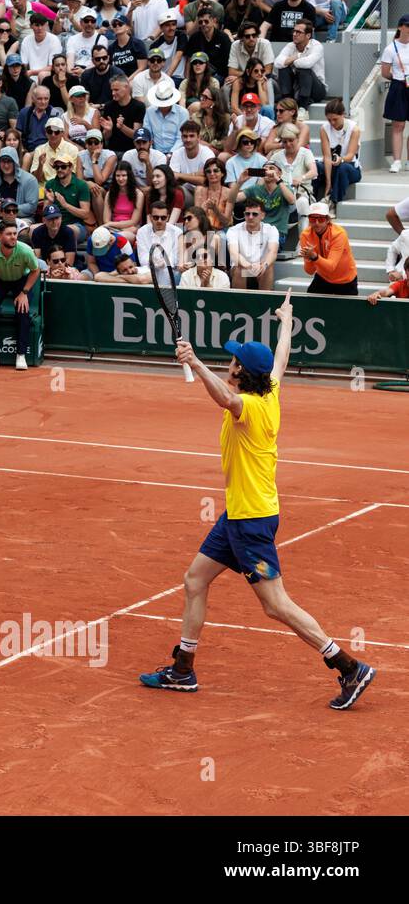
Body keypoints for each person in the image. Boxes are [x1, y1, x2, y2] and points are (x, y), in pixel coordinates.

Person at [144, 292, 376, 711]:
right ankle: (183, 668)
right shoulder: (271, 392)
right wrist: (286, 321)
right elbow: (281, 358)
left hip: (252, 522)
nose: (227, 362)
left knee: (275, 605)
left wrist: (195, 363)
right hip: (240, 516)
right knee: (195, 580)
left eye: (232, 360)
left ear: (241, 372)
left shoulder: (247, 405)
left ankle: (347, 665)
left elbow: (225, 399)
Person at [0, 220, 38, 370]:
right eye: (8, 234)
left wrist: (24, 292)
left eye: (15, 234)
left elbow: (35, 270)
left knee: (23, 310)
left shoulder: (25, 250)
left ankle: (21, 355)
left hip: (20, 281)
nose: (13, 237)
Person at [299, 201, 358, 295]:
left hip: (345, 280)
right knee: (309, 305)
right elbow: (309, 271)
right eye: (312, 219)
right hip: (323, 277)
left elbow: (331, 267)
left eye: (321, 219)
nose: (316, 223)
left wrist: (314, 257)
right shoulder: (305, 235)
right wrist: (309, 259)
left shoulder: (339, 234)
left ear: (328, 220)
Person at [315, 97, 360, 211]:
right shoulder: (324, 129)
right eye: (329, 120)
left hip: (350, 167)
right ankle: (312, 199)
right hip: (332, 166)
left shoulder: (354, 129)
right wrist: (328, 182)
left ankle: (334, 203)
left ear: (343, 115)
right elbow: (327, 156)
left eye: (335, 119)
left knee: (343, 168)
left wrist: (341, 159)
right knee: (315, 166)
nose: (332, 123)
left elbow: (350, 156)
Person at [226, 197, 279, 290]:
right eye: (247, 214)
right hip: (243, 267)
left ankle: (264, 302)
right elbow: (234, 254)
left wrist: (264, 265)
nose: (250, 217)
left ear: (262, 215)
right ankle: (239, 303)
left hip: (261, 268)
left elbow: (273, 252)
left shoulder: (271, 229)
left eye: (254, 214)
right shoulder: (233, 230)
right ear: (244, 215)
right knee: (239, 268)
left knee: (268, 268)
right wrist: (248, 266)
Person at [274, 20, 325, 110]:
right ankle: (287, 103)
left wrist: (293, 59)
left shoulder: (317, 46)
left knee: (303, 69)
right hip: (296, 88)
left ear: (308, 35)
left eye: (299, 32)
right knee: (283, 69)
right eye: (294, 31)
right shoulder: (291, 46)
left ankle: (303, 109)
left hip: (316, 90)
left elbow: (307, 63)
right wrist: (297, 56)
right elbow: (278, 63)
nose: (294, 34)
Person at [380, 16, 409, 173]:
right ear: (400, 27)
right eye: (407, 26)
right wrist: (399, 79)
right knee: (398, 125)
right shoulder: (391, 48)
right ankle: (397, 161)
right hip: (398, 85)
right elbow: (385, 72)